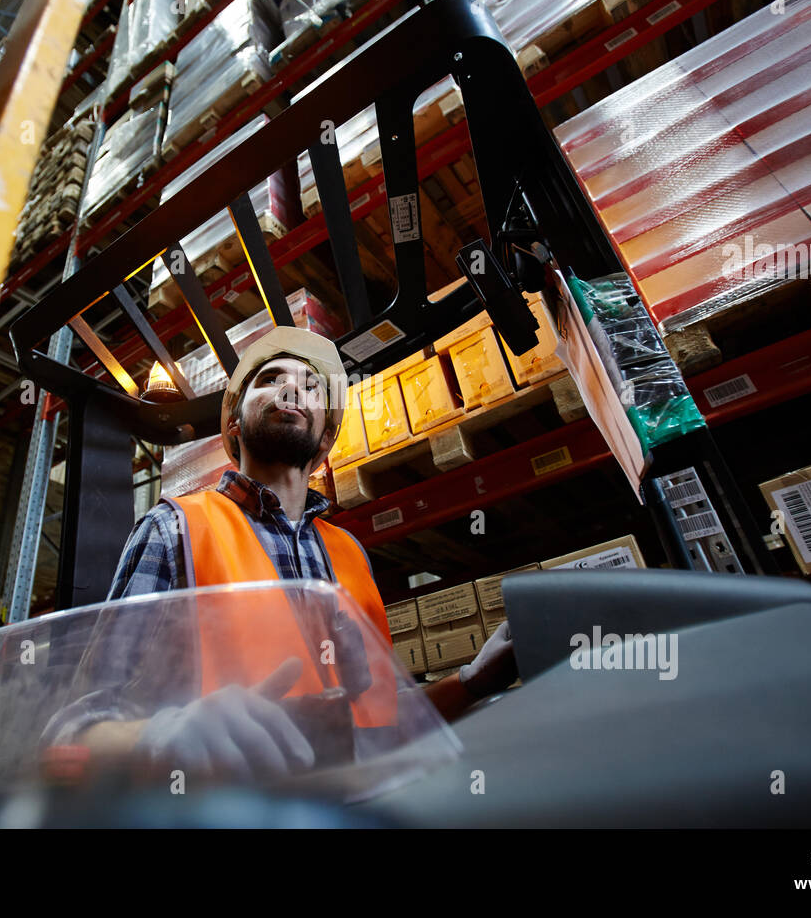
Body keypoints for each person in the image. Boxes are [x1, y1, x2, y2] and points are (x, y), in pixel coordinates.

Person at [42, 327, 517, 781]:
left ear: (326, 441)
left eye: (311, 387)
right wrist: (156, 737)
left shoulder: (349, 553)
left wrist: (474, 680)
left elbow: (383, 726)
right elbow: (72, 733)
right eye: (270, 380)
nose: (291, 391)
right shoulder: (173, 530)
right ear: (234, 422)